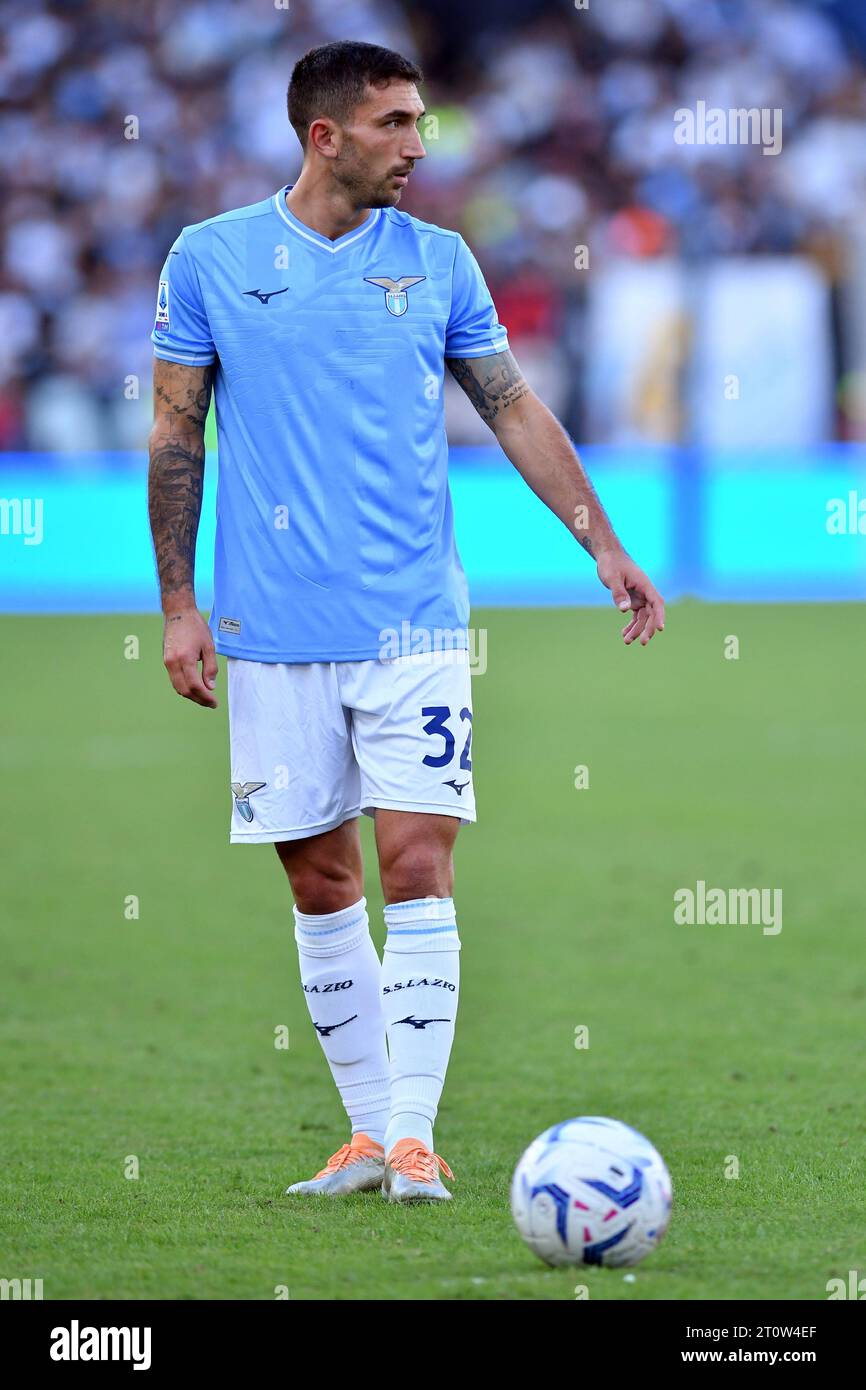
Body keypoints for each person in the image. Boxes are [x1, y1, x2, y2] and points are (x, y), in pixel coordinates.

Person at [147, 39, 665, 1205]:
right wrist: (179, 606)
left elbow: (510, 404)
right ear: (324, 136)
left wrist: (602, 542)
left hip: (414, 623)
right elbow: (178, 433)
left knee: (415, 861)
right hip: (270, 627)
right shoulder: (211, 260)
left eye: (420, 122)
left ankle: (416, 1137)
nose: (418, 147)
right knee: (321, 882)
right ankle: (369, 1132)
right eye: (394, 124)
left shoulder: (437, 260)